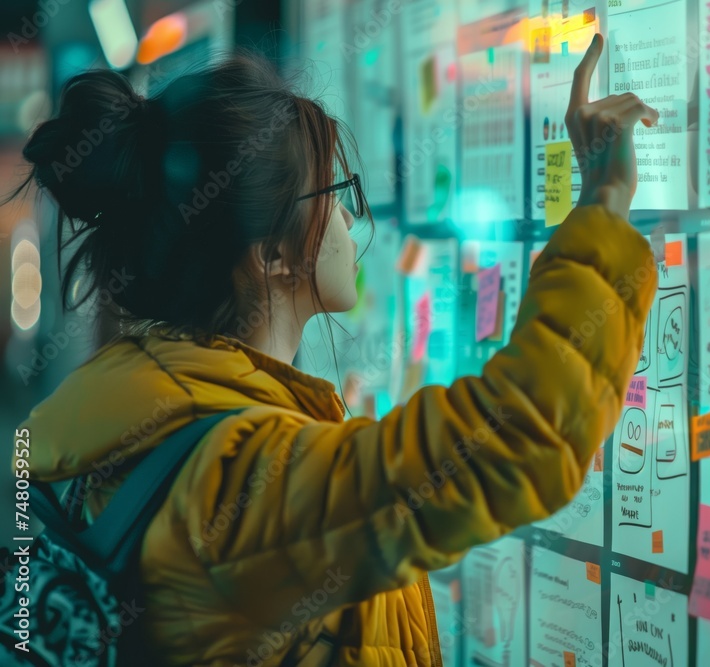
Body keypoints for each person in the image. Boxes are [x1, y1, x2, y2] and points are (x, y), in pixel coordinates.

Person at [10, 35, 658, 666]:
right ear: (269, 254)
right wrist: (604, 200)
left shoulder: (127, 405)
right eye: (334, 196)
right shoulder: (234, 486)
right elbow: (519, 438)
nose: (349, 223)